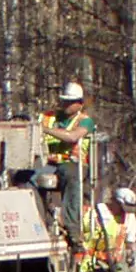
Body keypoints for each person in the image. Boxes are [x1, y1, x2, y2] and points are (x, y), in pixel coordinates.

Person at [42, 81, 97, 244]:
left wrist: (45, 130)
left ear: (80, 103)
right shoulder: (48, 117)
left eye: (70, 101)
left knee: (71, 176)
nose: (66, 104)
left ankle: (72, 228)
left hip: (73, 163)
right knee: (26, 178)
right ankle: (40, 221)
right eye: (64, 100)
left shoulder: (85, 121)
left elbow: (73, 137)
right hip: (48, 163)